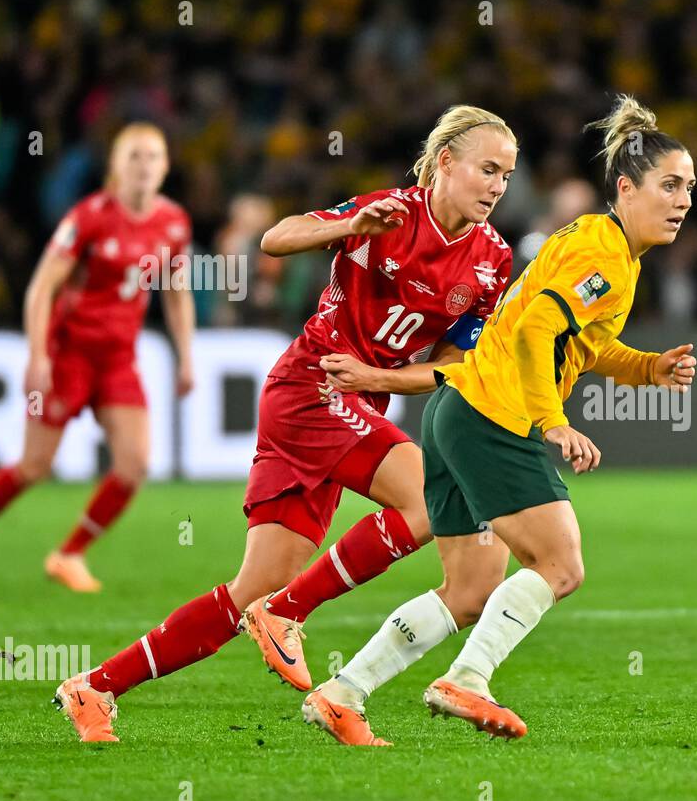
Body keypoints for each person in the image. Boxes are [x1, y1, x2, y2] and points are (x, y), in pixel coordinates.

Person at [54, 105, 518, 743]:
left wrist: (382, 380)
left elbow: (452, 367)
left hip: (355, 402)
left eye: (507, 175)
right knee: (433, 499)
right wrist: (351, 224)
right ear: (445, 164)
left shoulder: (492, 259)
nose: (497, 186)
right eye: (487, 169)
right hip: (311, 387)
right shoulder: (392, 212)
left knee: (250, 591)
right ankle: (290, 612)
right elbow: (276, 237)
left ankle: (94, 687)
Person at [301, 95, 697, 745]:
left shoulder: (607, 250)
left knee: (469, 589)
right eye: (670, 185)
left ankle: (344, 691)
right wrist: (551, 422)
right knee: (561, 565)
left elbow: (582, 344)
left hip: (455, 408)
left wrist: (649, 370)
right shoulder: (603, 254)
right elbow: (539, 326)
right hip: (495, 414)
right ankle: (469, 679)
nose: (683, 200)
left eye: (689, 188)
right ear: (626, 187)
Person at [0, 123, 194, 593]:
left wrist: (186, 357)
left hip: (119, 358)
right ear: (115, 167)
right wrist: (37, 355)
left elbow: (178, 294)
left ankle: (69, 553)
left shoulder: (174, 223)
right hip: (69, 354)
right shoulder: (89, 217)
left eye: (153, 157)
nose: (144, 166)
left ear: (165, 166)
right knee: (34, 467)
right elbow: (42, 288)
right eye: (134, 157)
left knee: (133, 465)